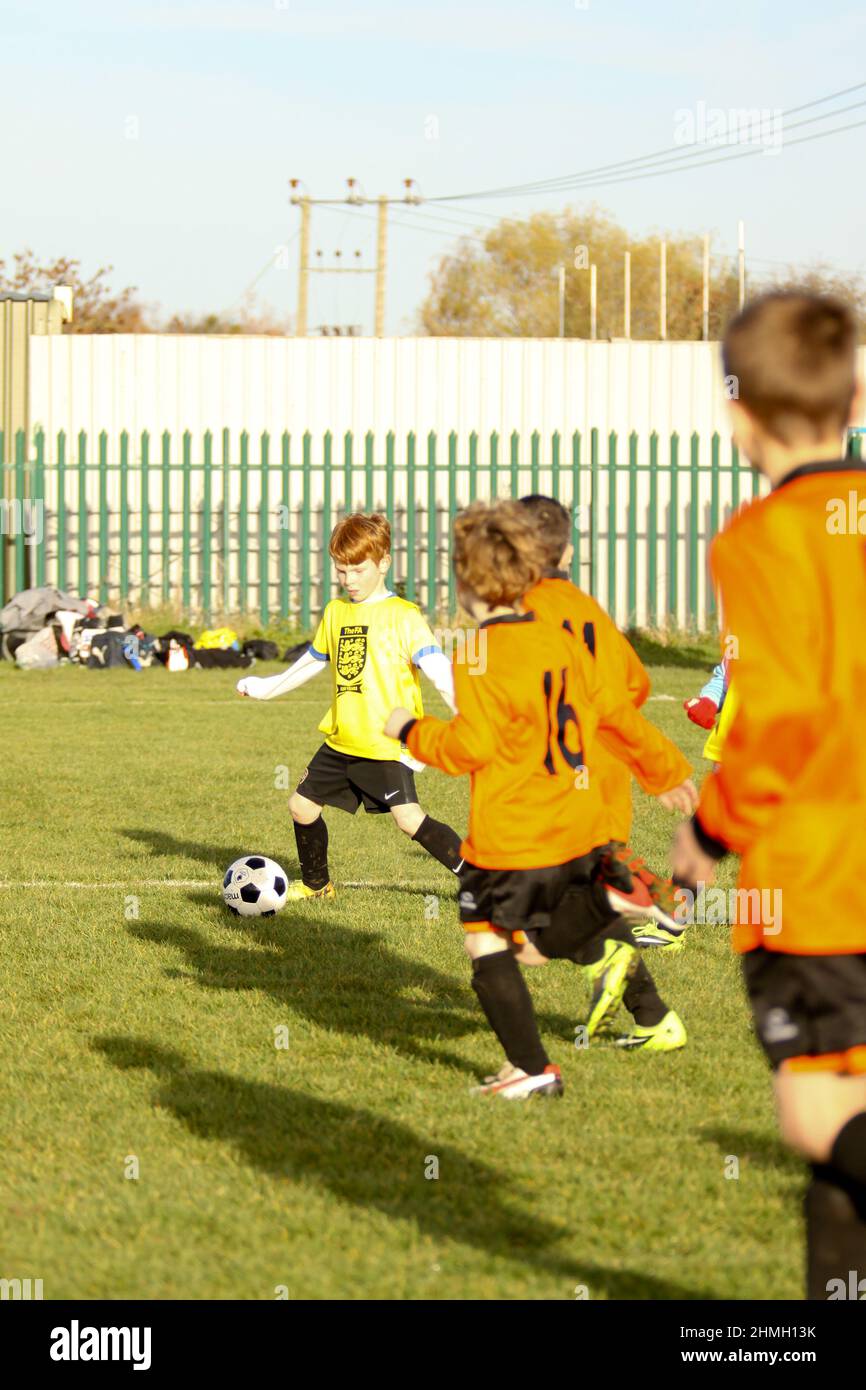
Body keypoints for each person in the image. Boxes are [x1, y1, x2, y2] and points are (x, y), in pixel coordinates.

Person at [671, 291, 866, 1298]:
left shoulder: (759, 536)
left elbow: (780, 718)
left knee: (815, 1117)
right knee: (832, 1160)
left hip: (815, 884)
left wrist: (707, 828)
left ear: (737, 412)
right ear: (855, 395)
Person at [386, 500, 697, 1098]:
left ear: (470, 585)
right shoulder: (561, 637)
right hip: (577, 821)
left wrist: (409, 730)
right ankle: (608, 902)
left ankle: (533, 1068)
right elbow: (615, 705)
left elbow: (470, 748)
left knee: (486, 943)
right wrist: (663, 771)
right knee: (528, 950)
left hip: (514, 829)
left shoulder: (477, 654)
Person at [237, 512, 464, 900]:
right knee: (301, 806)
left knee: (409, 820)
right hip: (343, 741)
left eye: (358, 569)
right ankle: (317, 886)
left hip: (387, 745)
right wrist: (266, 688)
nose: (349, 580)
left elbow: (437, 668)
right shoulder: (336, 612)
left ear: (383, 564)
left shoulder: (403, 616)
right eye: (341, 570)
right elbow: (310, 661)